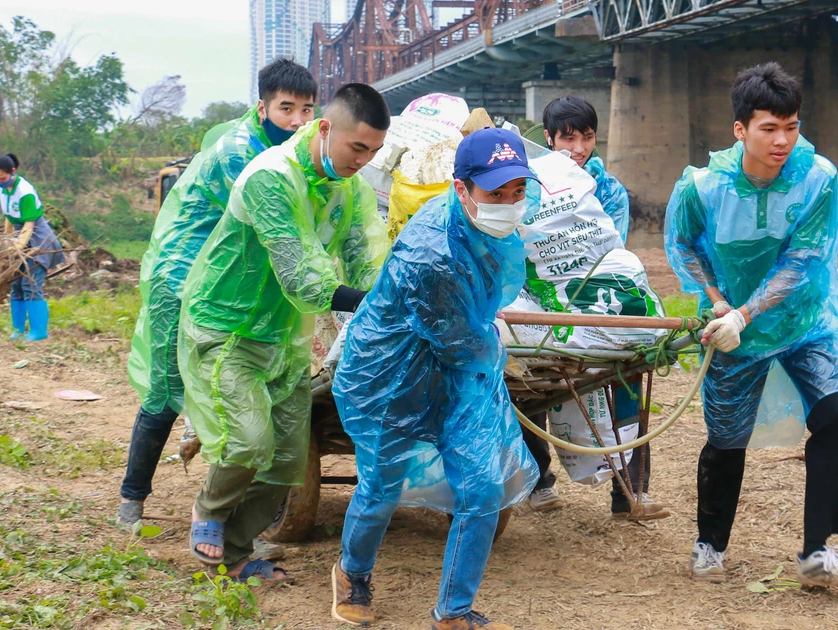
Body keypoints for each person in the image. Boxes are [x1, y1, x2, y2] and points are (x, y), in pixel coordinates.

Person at [664, 63, 838, 587]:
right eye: (769, 128)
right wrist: (716, 301)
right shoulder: (704, 188)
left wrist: (746, 311)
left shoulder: (817, 178)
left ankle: (816, 553)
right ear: (740, 130)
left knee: (834, 417)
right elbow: (684, 245)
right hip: (734, 332)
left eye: (792, 127)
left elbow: (803, 261)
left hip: (805, 321)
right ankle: (710, 544)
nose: (783, 140)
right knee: (727, 439)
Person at [330, 128, 539, 630]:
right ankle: (351, 572)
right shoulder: (432, 254)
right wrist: (492, 345)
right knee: (381, 485)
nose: (509, 205)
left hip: (458, 370)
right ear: (462, 188)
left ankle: (454, 611)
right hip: (393, 375)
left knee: (483, 488)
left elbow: (471, 322)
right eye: (496, 194)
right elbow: (458, 340)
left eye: (518, 193)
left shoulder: (484, 228)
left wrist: (484, 330)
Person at [181, 83, 390, 584]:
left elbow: (369, 259)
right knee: (250, 441)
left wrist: (398, 294)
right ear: (324, 129)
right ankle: (208, 508)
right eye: (357, 147)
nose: (364, 160)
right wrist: (380, 305)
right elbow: (302, 274)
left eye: (375, 152)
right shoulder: (269, 178)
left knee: (288, 463)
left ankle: (234, 556)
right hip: (227, 327)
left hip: (286, 336)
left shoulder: (350, 186)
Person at [118, 59, 319, 530]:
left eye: (306, 109)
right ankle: (133, 497)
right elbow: (285, 228)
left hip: (234, 272)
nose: (296, 120)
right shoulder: (240, 153)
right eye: (286, 108)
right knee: (168, 387)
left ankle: (245, 506)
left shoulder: (297, 148)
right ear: (263, 105)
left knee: (258, 382)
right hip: (186, 273)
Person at [519, 96, 669, 520]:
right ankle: (537, 481)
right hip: (542, 302)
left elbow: (610, 249)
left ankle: (630, 493)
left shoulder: (609, 190)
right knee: (526, 384)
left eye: (587, 137)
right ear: (548, 139)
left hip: (596, 299)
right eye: (568, 138)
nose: (579, 148)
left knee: (627, 374)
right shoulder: (526, 184)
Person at [0, 154, 66, 341]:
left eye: (3, 179)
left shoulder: (25, 192)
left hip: (37, 238)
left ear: (13, 172)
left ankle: (38, 331)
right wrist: (6, 240)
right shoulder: (3, 189)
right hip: (18, 236)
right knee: (15, 283)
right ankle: (18, 330)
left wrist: (18, 247)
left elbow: (29, 225)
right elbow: (9, 216)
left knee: (30, 283)